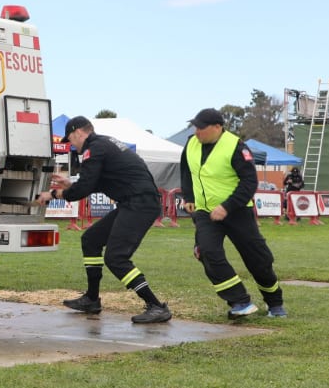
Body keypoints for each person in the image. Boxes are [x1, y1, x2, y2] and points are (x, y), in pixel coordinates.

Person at [36, 116, 172, 324]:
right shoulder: (104, 143)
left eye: (71, 140)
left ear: (78, 133)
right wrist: (70, 183)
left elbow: (85, 187)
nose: (71, 145)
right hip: (135, 202)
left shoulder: (95, 148)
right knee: (90, 240)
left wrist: (52, 195)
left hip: (139, 204)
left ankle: (155, 306)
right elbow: (97, 181)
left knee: (116, 258)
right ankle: (91, 299)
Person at [180, 108, 287, 319]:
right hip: (205, 212)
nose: (197, 131)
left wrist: (227, 206)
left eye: (202, 127)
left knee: (258, 260)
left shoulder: (236, 147)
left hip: (237, 211)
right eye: (195, 126)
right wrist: (189, 197)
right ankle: (240, 301)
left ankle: (275, 303)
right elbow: (185, 170)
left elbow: (250, 182)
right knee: (205, 252)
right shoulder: (191, 143)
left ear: (218, 127)